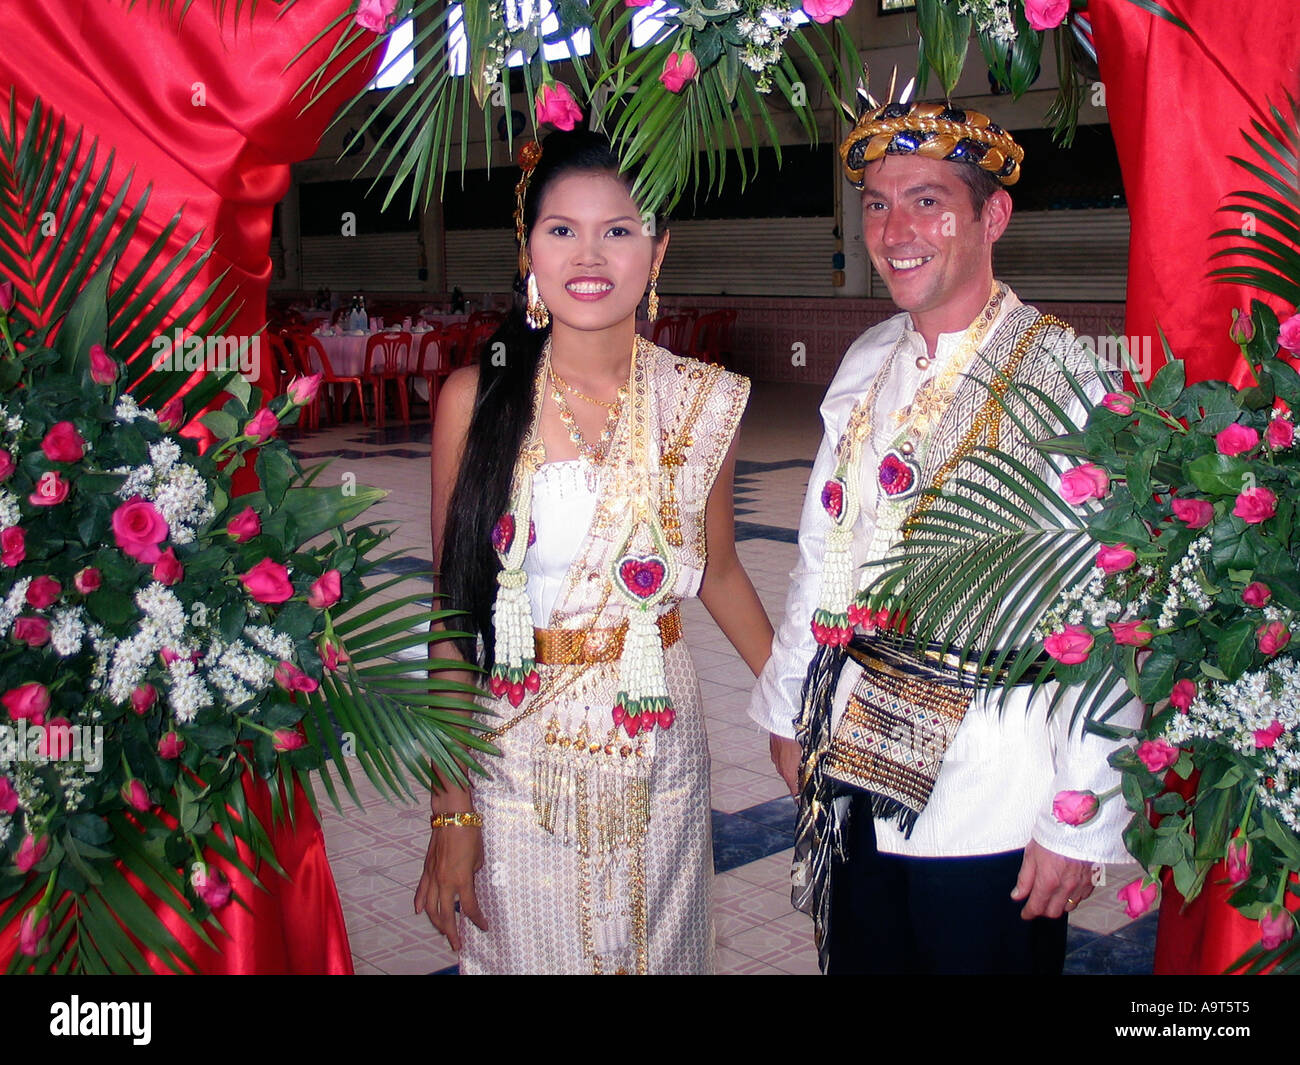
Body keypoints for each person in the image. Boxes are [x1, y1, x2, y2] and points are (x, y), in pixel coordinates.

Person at [747, 100, 1139, 975]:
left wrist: (1080, 812)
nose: (896, 230)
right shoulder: (868, 359)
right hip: (857, 753)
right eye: (878, 205)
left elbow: (1114, 615)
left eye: (927, 201)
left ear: (992, 215)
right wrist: (786, 709)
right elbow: (824, 551)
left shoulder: (1068, 379)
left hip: (993, 793)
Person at [418, 129, 773, 974]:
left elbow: (718, 571)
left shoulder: (700, 402)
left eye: (618, 229)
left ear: (659, 248)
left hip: (659, 745)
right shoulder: (476, 400)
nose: (589, 254)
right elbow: (450, 613)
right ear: (527, 249)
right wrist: (451, 809)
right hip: (517, 752)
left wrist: (799, 708)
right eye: (561, 229)